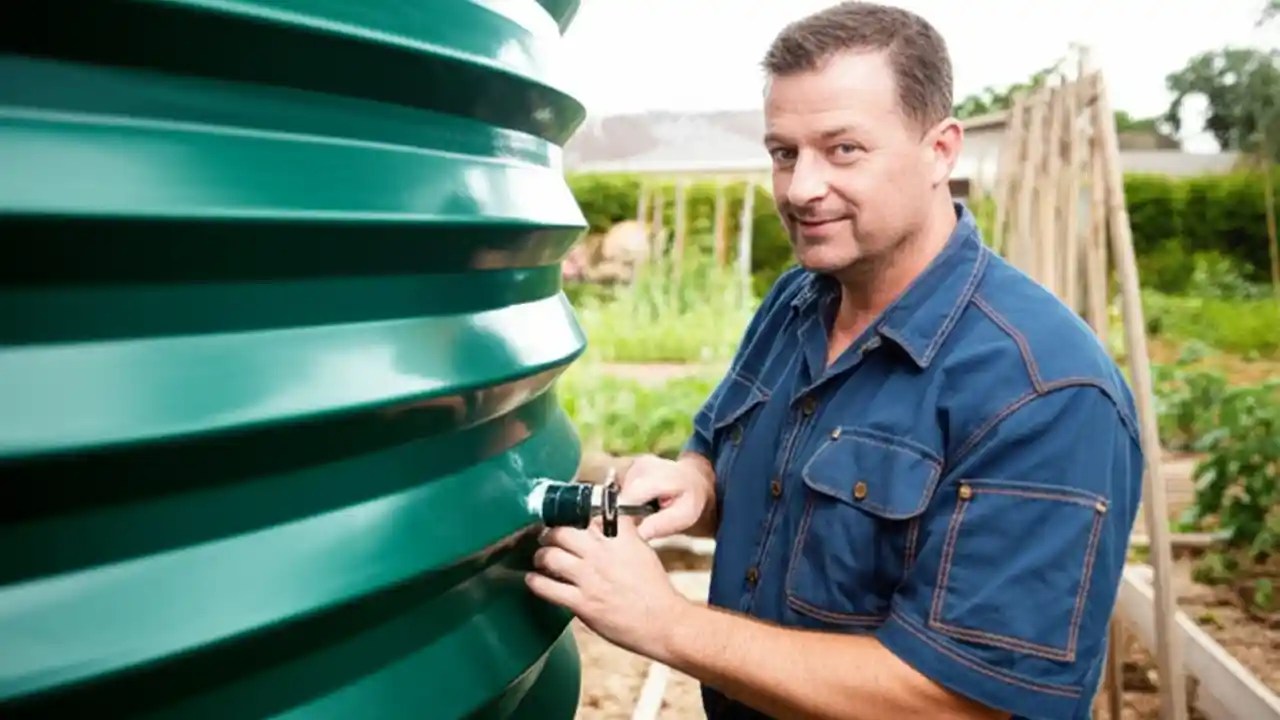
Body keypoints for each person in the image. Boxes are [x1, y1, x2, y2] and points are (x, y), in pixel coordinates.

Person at [525, 3, 1144, 719]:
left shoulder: (1041, 391)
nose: (800, 188)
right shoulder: (799, 302)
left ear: (941, 149)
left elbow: (954, 700)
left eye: (843, 149)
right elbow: (755, 467)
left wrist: (666, 622)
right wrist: (698, 482)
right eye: (783, 152)